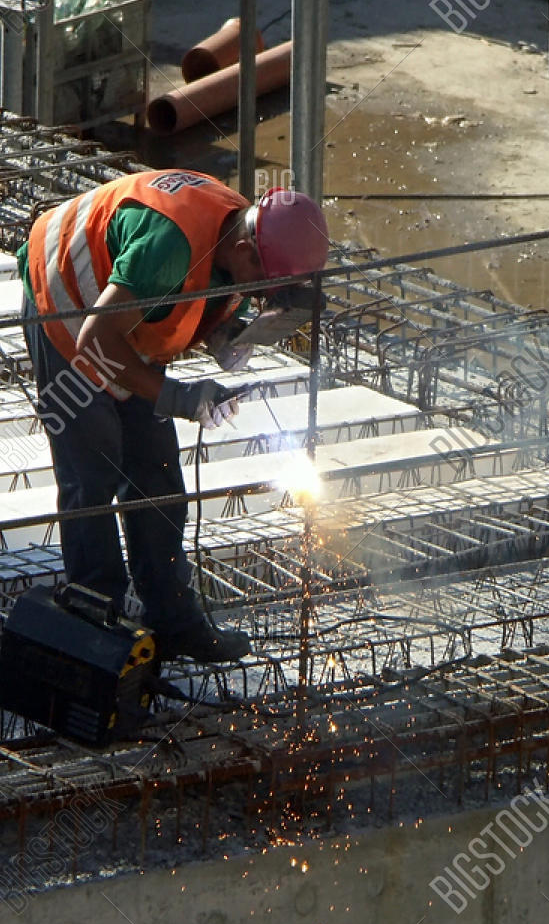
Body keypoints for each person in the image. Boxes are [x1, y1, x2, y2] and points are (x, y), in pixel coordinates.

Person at [16, 168, 329, 662]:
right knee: (94, 472)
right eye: (263, 286)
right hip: (68, 306)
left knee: (157, 473)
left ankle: (171, 619)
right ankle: (96, 622)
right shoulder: (169, 247)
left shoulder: (238, 235)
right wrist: (178, 397)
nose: (260, 294)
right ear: (248, 250)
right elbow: (95, 341)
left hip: (125, 318)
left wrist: (222, 333)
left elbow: (201, 291)